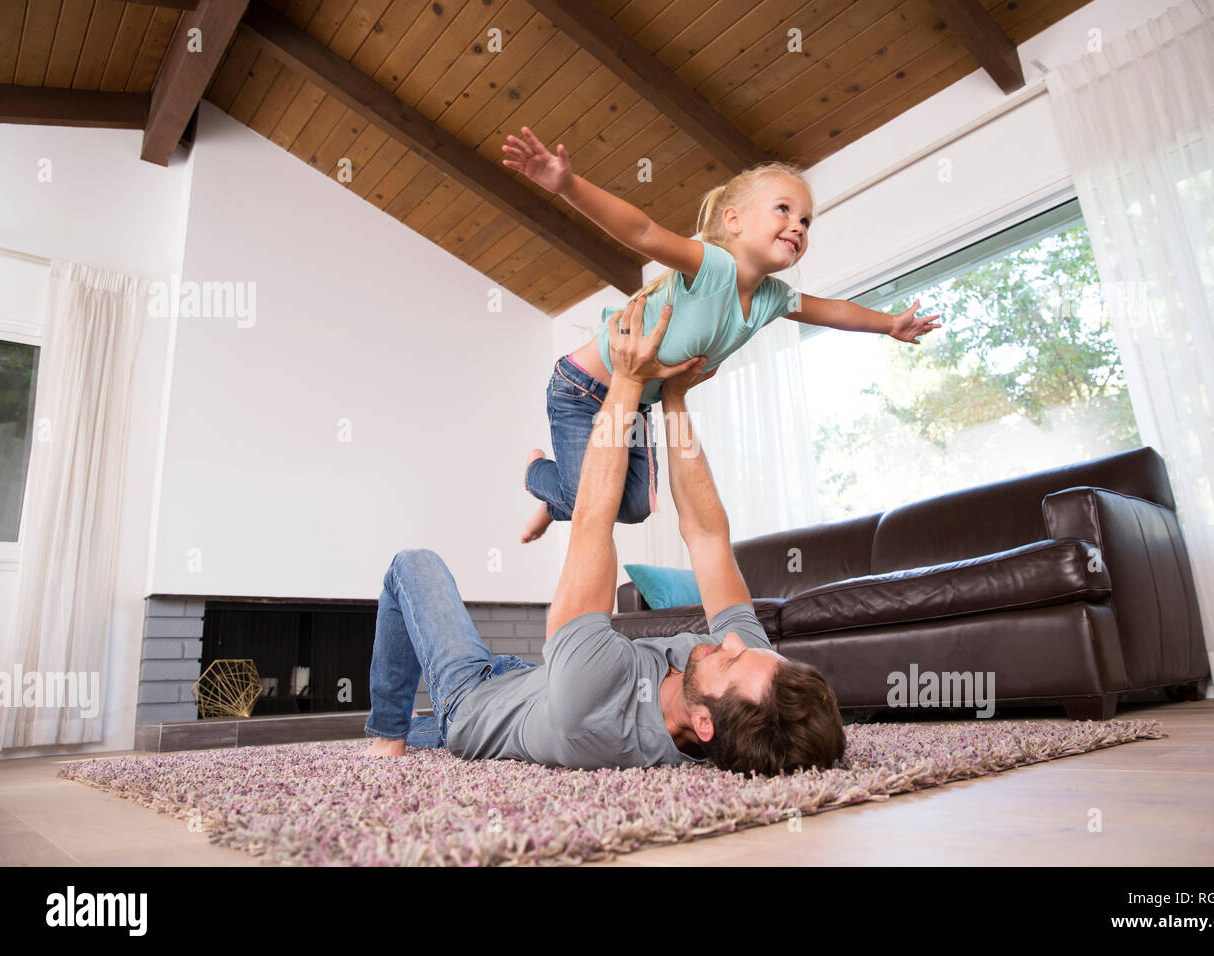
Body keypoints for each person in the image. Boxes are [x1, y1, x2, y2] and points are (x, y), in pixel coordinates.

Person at [365, 296, 847, 776]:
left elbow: (592, 518)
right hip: (531, 682)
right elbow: (707, 535)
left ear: (703, 723)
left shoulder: (593, 710)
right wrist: (676, 399)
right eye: (751, 650)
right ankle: (425, 730)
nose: (736, 643)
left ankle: (388, 738)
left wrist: (628, 379)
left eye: (730, 662)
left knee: (413, 564)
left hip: (473, 699)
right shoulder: (742, 683)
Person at [501, 124, 942, 543]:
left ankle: (558, 494)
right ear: (734, 221)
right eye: (784, 210)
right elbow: (643, 232)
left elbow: (832, 311)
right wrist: (568, 186)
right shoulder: (713, 267)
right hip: (583, 390)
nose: (798, 226)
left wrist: (889, 325)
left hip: (634, 403)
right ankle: (540, 476)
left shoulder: (772, 298)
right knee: (591, 503)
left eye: (806, 222)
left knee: (634, 507)